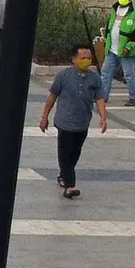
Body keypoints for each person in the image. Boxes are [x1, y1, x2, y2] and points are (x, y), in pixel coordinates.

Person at [38, 44, 110, 199]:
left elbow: (99, 99)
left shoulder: (94, 78)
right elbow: (52, 97)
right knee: (65, 154)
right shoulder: (63, 76)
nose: (86, 61)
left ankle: (64, 175)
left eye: (89, 58)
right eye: (82, 58)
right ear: (73, 59)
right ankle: (70, 185)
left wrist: (103, 118)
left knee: (74, 154)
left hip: (82, 124)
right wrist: (45, 117)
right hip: (64, 122)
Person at [102, 0, 135, 105]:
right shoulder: (115, 9)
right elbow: (110, 26)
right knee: (105, 73)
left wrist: (129, 47)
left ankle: (134, 97)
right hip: (112, 48)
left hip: (126, 50)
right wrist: (106, 41)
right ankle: (103, 96)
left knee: (129, 75)